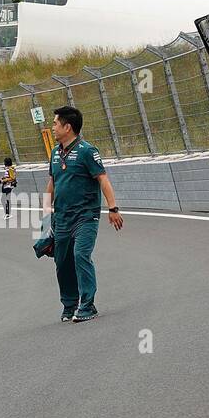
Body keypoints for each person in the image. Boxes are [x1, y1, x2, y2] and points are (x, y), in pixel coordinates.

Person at [45, 105, 123, 323]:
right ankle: (69, 305)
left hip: (86, 216)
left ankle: (87, 304)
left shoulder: (88, 151)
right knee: (62, 263)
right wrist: (44, 216)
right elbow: (52, 183)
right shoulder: (54, 152)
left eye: (55, 123)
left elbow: (103, 179)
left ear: (67, 127)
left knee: (80, 255)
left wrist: (113, 208)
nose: (52, 127)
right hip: (61, 218)